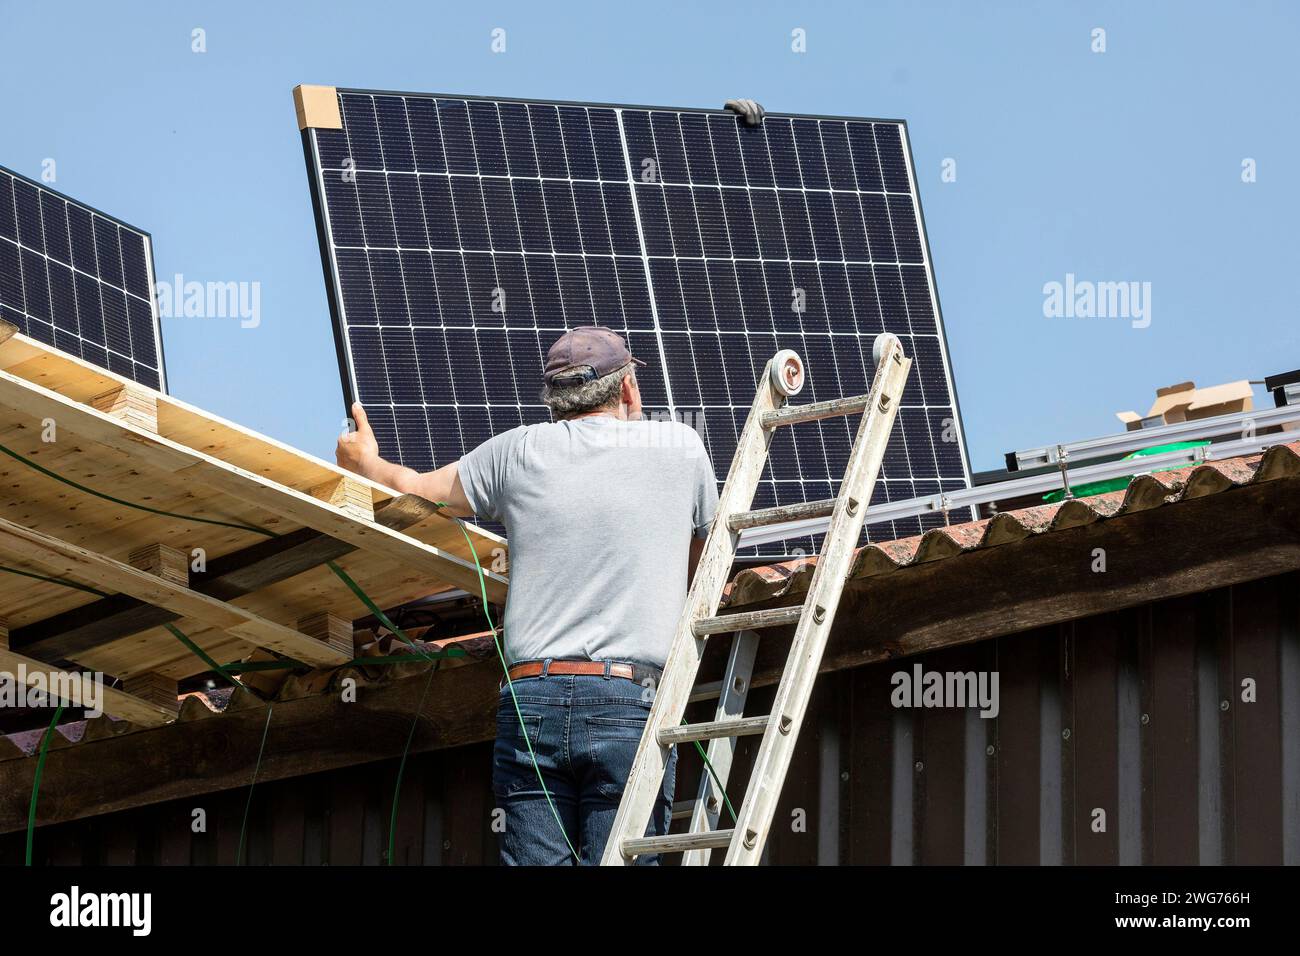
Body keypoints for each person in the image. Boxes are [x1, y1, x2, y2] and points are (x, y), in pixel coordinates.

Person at [335, 326, 719, 865]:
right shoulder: (679, 447)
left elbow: (416, 493)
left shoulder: (517, 453)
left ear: (554, 400)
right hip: (626, 701)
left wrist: (364, 462)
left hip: (530, 700)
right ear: (628, 388)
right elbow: (702, 569)